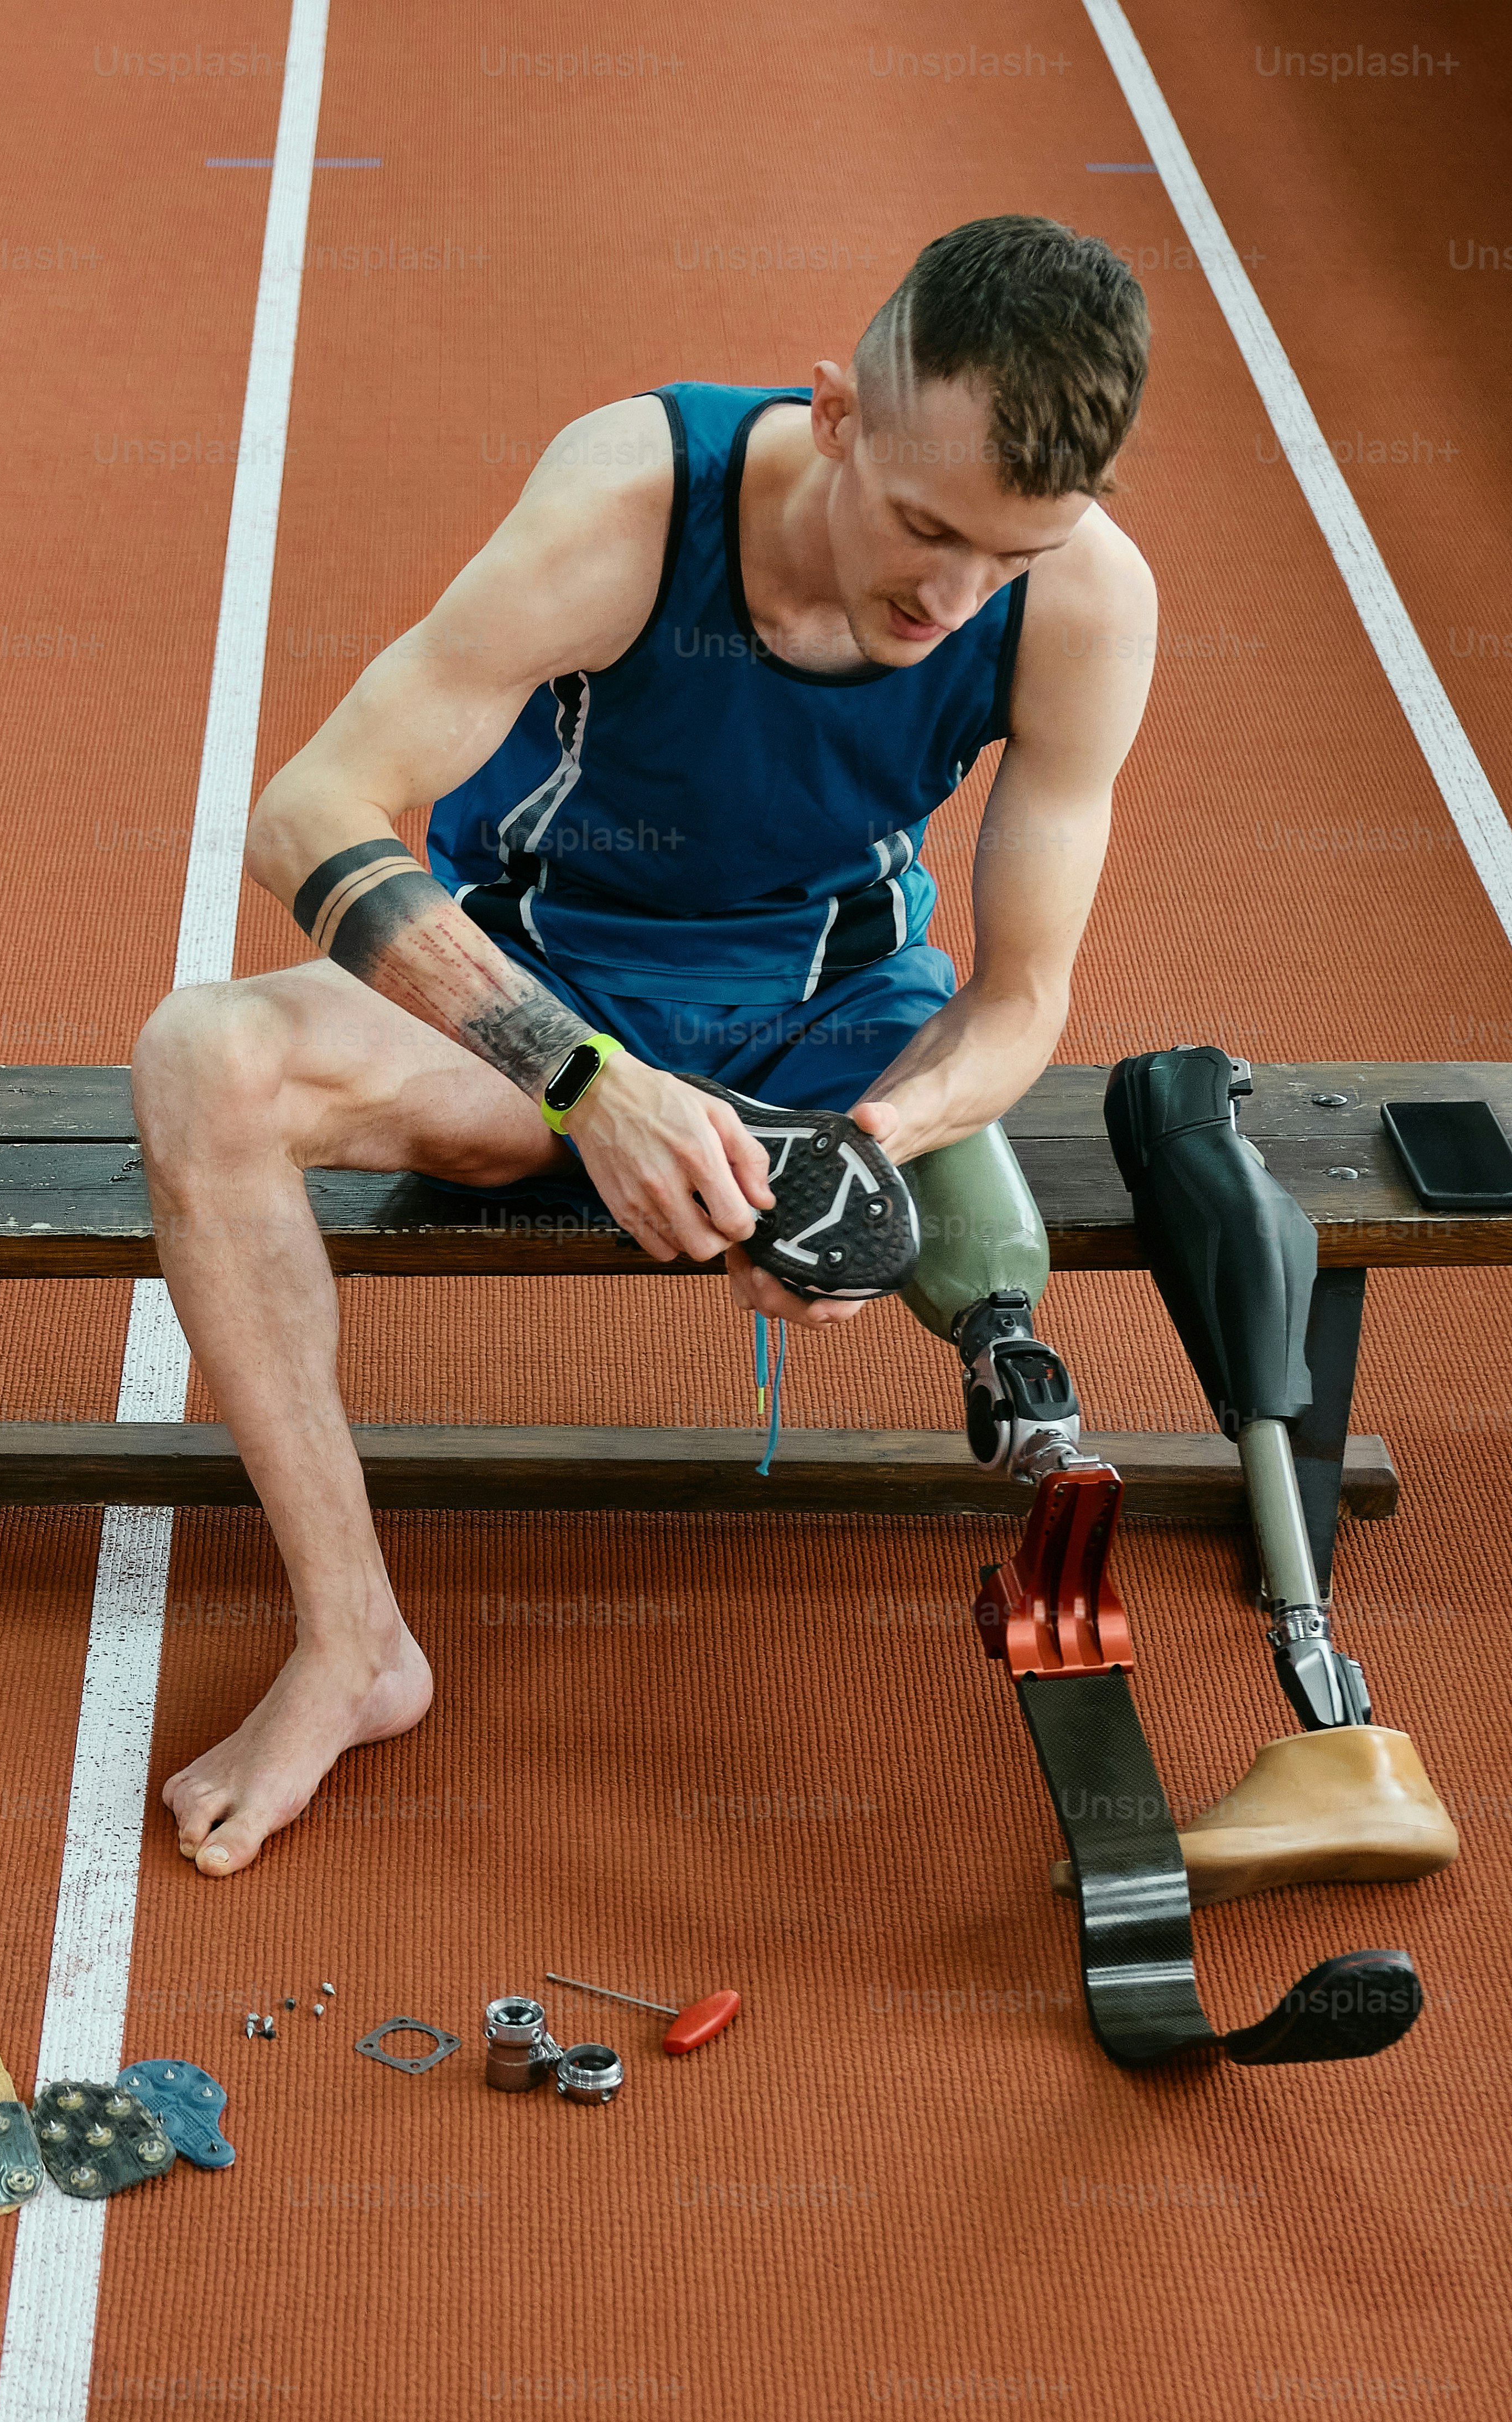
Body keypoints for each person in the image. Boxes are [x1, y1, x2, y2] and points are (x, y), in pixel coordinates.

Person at [130, 213, 1160, 1877]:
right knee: (203, 1056)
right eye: (922, 525)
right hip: (552, 974)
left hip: (834, 1012)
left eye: (1010, 557)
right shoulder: (634, 500)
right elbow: (308, 814)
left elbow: (1023, 999)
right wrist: (584, 1081)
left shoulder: (1087, 606)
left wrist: (865, 1151)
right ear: (835, 416)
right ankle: (354, 1644)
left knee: (958, 1208)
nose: (950, 594)